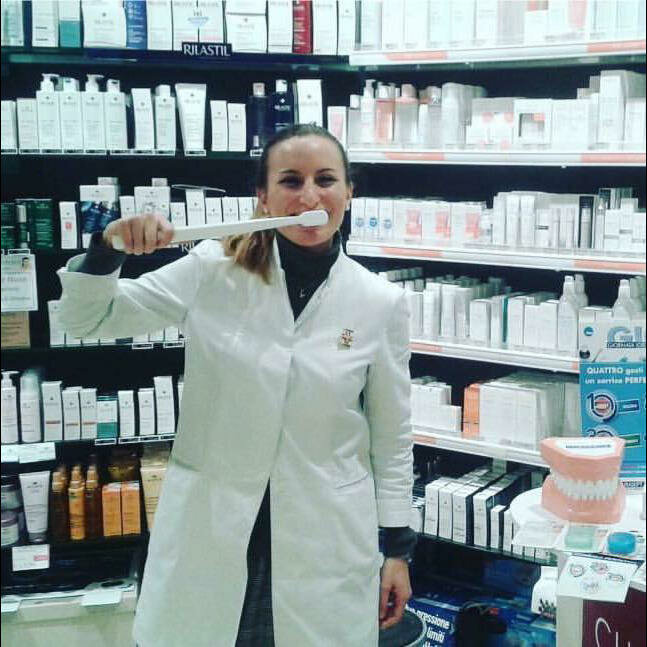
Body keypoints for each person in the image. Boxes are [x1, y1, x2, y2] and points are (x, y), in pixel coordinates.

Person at [57, 124, 416, 647]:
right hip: (214, 528)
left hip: (325, 537)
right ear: (263, 196)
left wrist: (398, 550)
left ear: (349, 193)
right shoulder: (213, 270)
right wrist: (108, 248)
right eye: (290, 181)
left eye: (326, 179)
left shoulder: (378, 302)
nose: (309, 196)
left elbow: (392, 435)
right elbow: (86, 319)